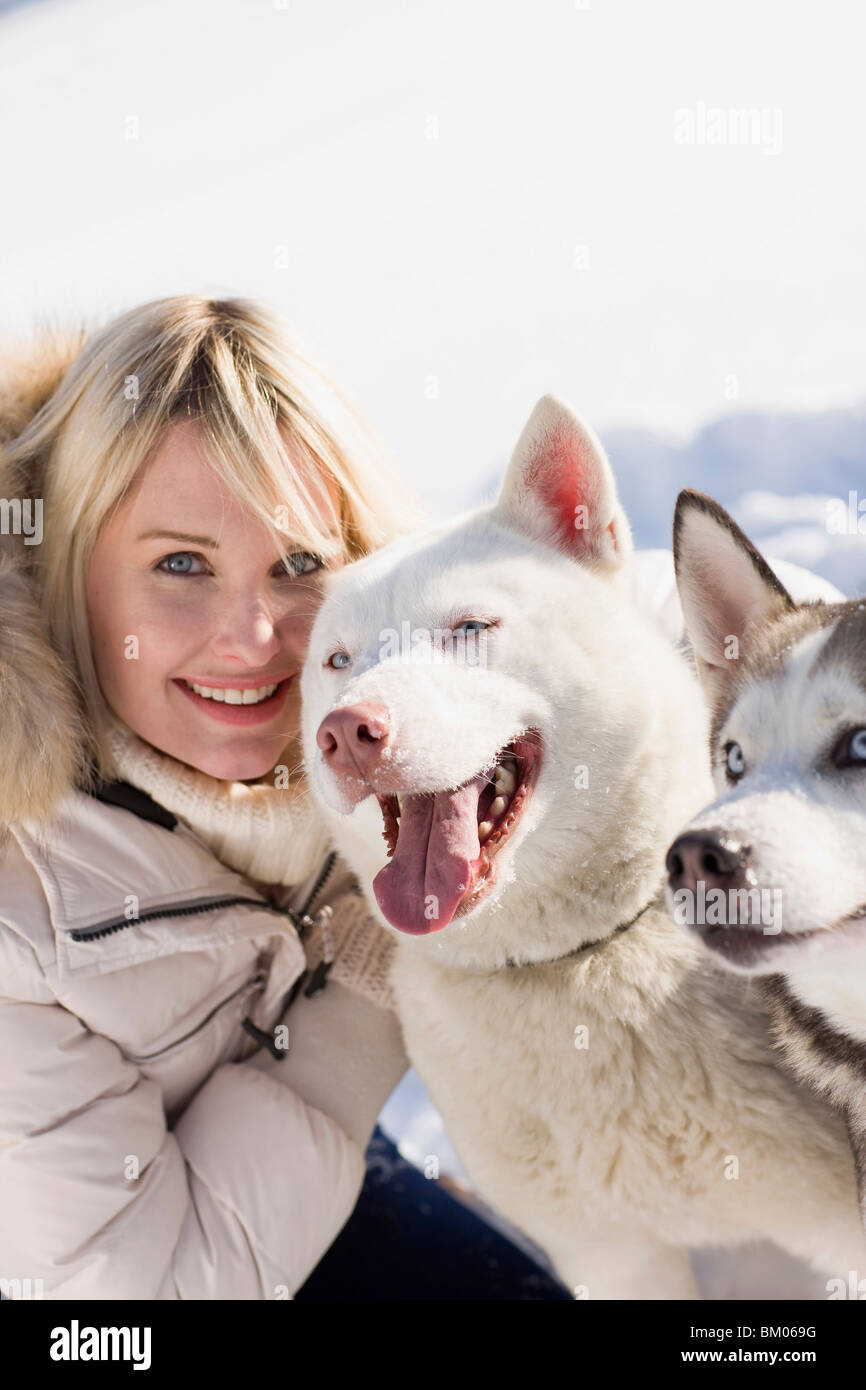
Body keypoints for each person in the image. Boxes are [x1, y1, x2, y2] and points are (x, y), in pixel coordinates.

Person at [0, 296, 571, 1301]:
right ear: (67, 569)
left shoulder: (354, 707)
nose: (253, 638)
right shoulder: (18, 907)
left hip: (261, 1139)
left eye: (299, 563)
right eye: (182, 563)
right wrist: (365, 983)